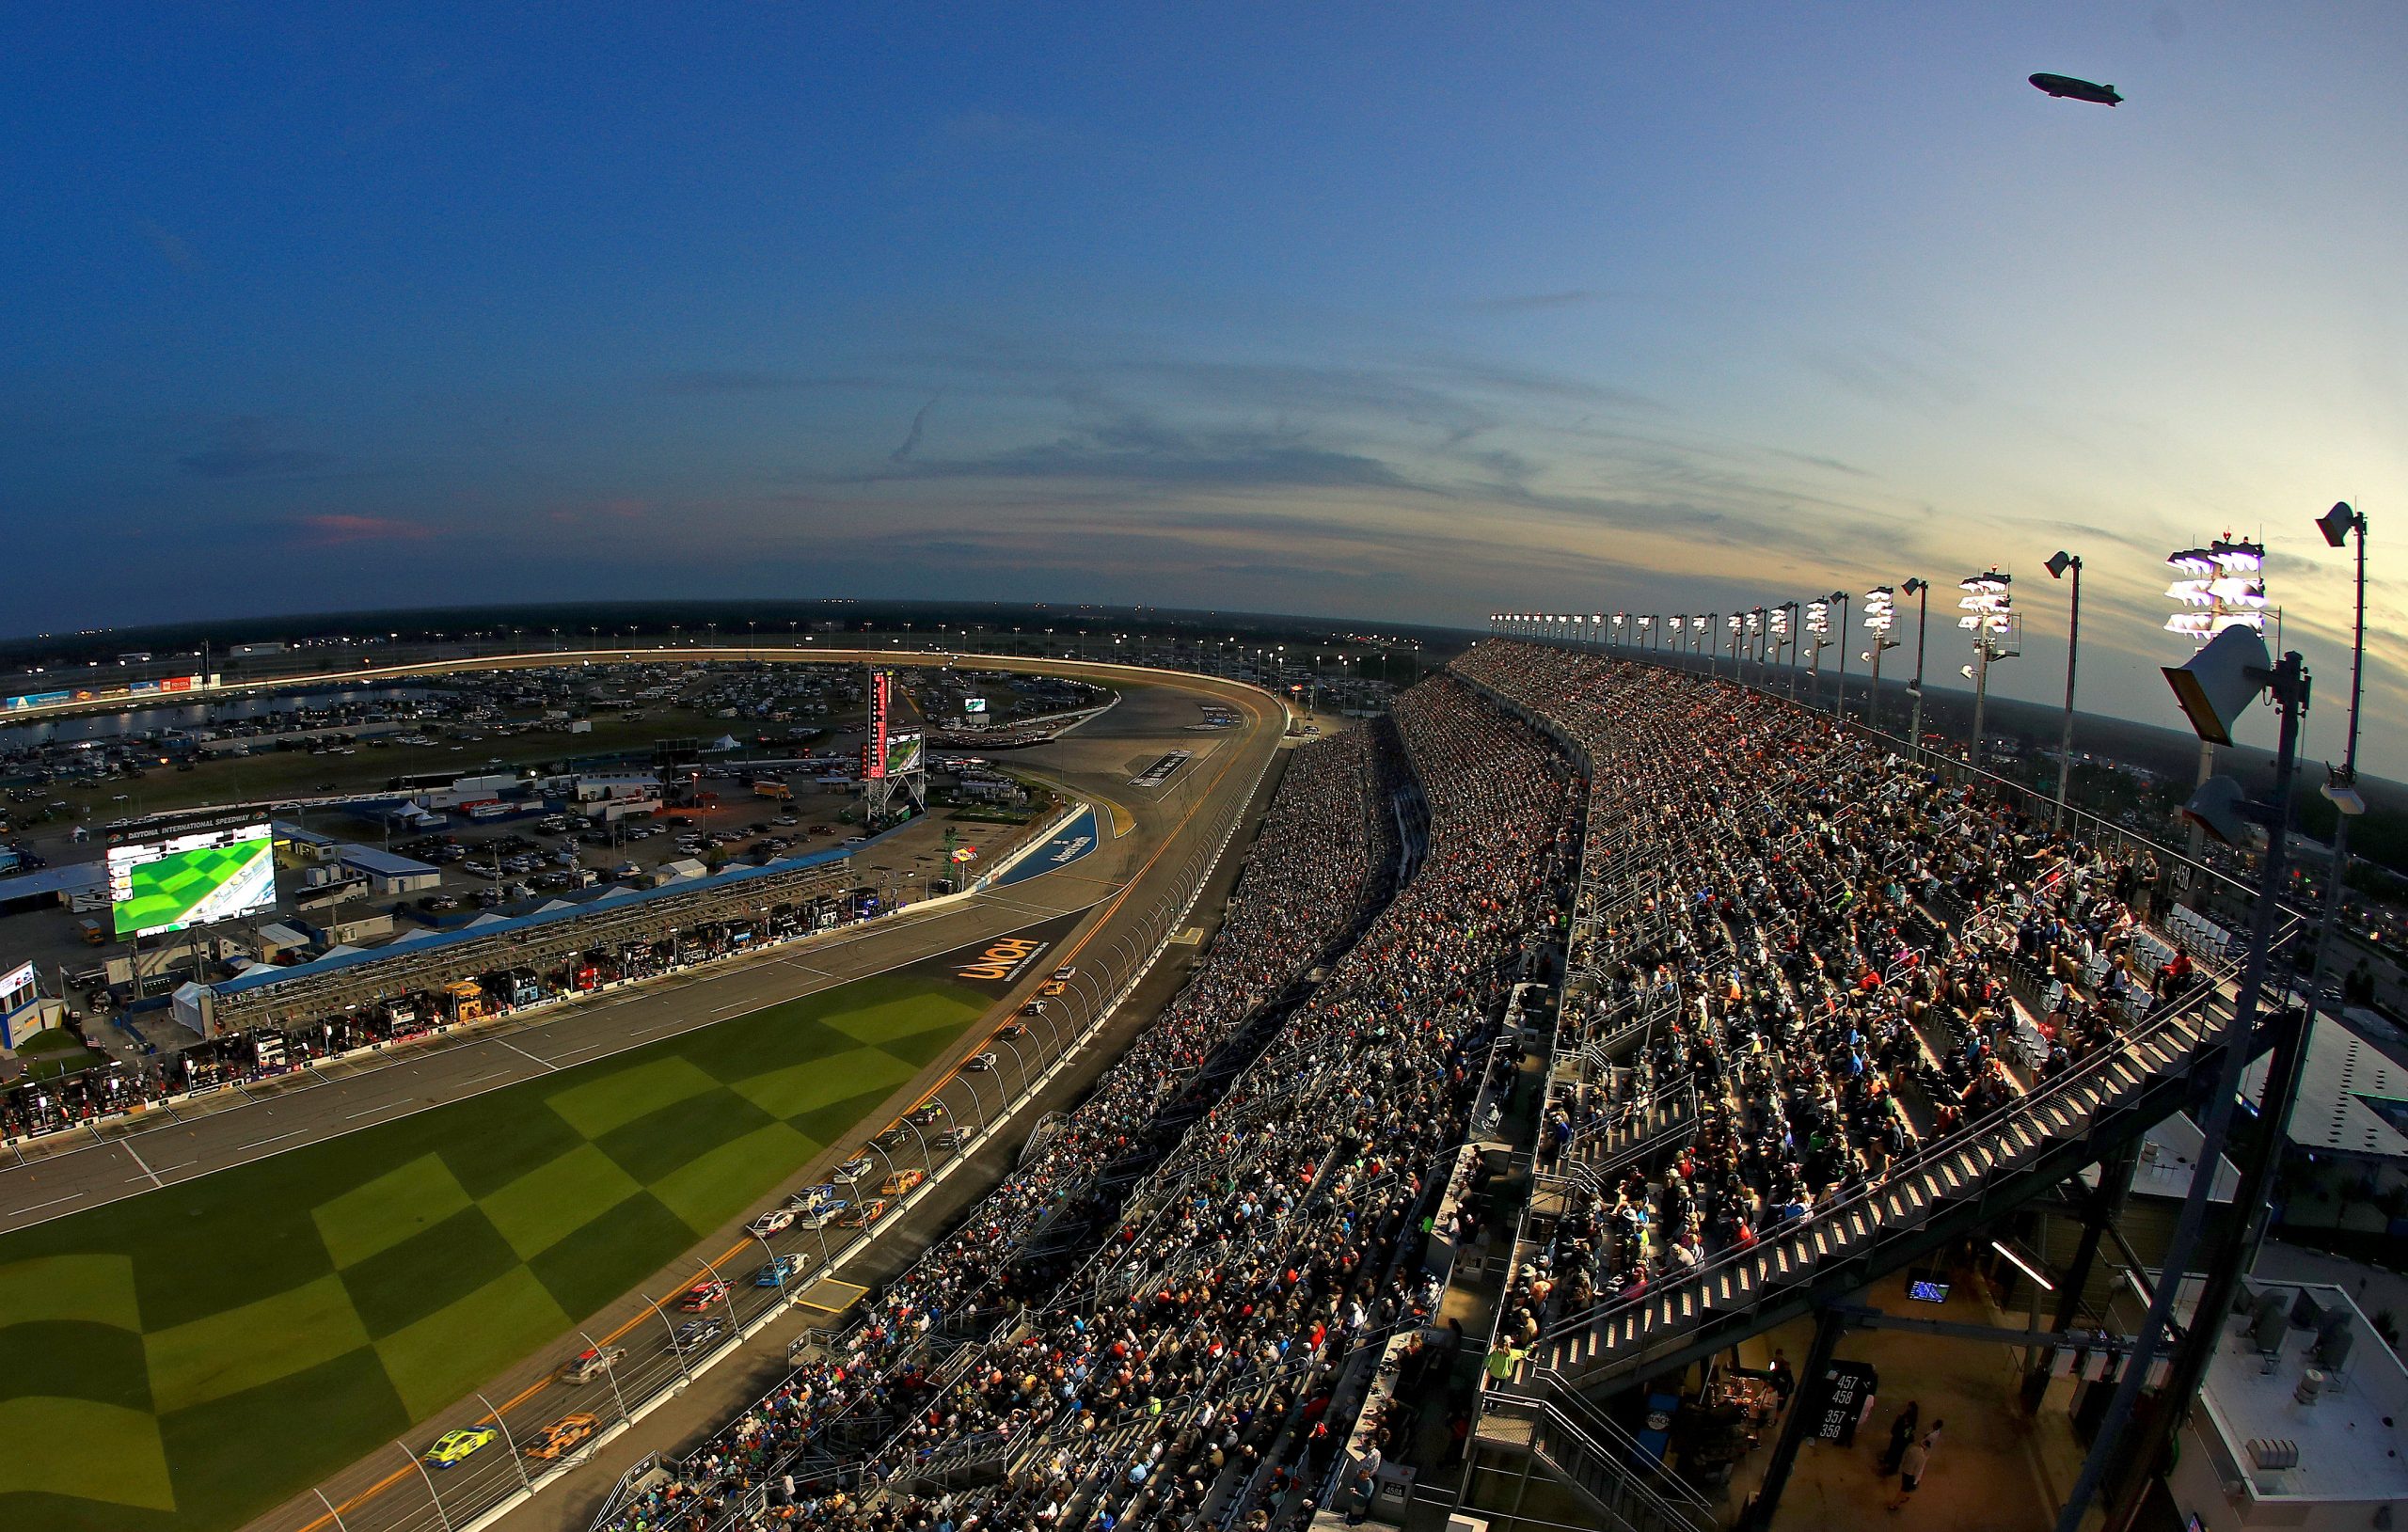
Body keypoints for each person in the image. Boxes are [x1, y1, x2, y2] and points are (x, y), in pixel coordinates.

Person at [1887, 1423, 1941, 1511]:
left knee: (1904, 1488)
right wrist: (1915, 1480)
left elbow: (1906, 1457)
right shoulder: (1922, 1457)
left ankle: (1903, 1498)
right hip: (1910, 1475)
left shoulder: (1913, 1449)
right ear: (1926, 1447)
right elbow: (1917, 1470)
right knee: (1903, 1490)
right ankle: (1893, 1505)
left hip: (1905, 1471)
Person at [1878, 1401, 1919, 1475]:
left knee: (1897, 1454)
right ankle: (1887, 1460)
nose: (1908, 1407)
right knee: (1892, 1449)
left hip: (1901, 1440)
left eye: (1909, 1406)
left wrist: (1903, 1425)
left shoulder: (1911, 1420)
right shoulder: (1907, 1415)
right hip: (1897, 1436)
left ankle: (1892, 1468)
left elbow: (1907, 1433)